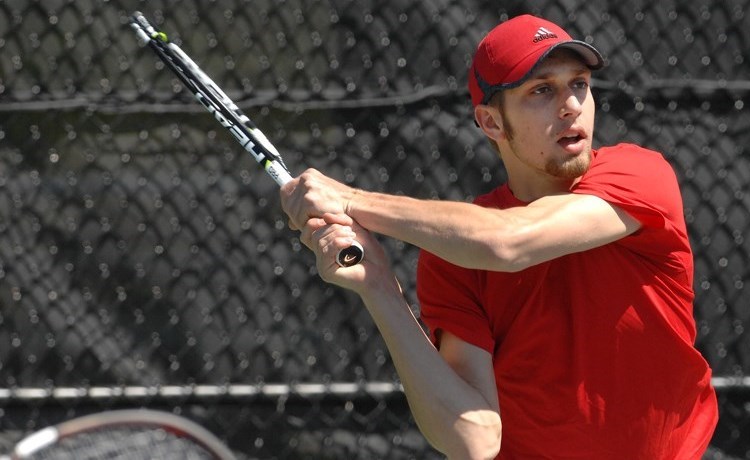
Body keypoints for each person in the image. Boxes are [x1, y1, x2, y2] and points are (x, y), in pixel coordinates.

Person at [280, 14, 718, 459]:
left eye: (580, 84)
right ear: (491, 122)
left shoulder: (640, 174)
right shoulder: (455, 255)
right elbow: (475, 440)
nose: (571, 105)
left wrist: (352, 200)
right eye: (541, 90)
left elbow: (510, 242)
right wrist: (379, 289)